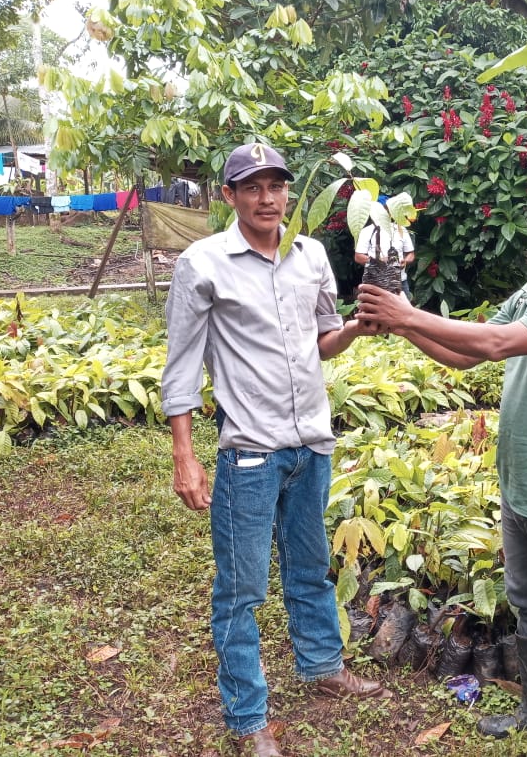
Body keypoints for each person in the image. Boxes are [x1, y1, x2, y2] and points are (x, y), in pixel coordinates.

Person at [357, 179, 527, 757]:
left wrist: (407, 312)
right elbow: (462, 355)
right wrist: (406, 325)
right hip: (522, 487)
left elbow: (494, 343)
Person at [161, 142, 392, 757]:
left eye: (277, 186)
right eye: (253, 187)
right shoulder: (202, 264)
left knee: (311, 567)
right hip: (250, 453)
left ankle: (323, 669)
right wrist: (185, 454)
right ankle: (247, 718)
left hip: (312, 443)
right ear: (230, 196)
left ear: (288, 192)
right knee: (240, 589)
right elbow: (181, 367)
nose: (267, 199)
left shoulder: (311, 254)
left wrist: (357, 328)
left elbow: (323, 341)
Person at [354, 195, 415, 296]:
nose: (385, 212)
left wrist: (405, 261)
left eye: (387, 209)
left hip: (400, 282)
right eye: (382, 209)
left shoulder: (401, 229)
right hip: (376, 283)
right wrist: (379, 261)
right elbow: (358, 257)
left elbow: (411, 254)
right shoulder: (367, 231)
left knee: (404, 311)